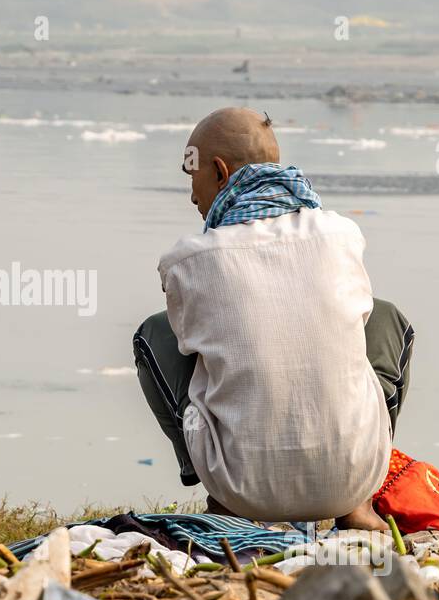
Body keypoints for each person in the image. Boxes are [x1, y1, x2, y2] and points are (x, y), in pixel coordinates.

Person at [132, 107, 414, 532]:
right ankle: (357, 506)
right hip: (352, 477)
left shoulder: (187, 260)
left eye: (194, 180)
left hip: (240, 486)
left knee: (155, 334)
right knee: (385, 318)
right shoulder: (342, 236)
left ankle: (220, 502)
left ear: (221, 172)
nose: (193, 197)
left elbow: (196, 343)